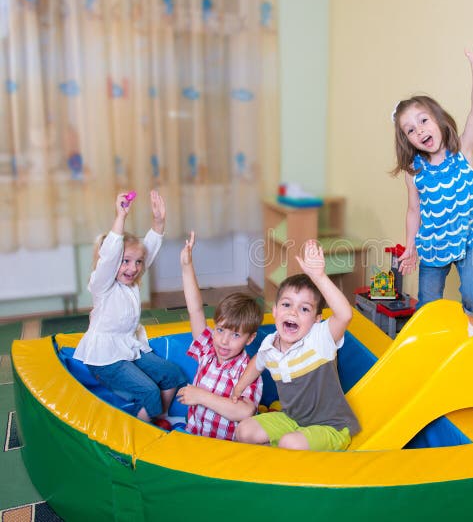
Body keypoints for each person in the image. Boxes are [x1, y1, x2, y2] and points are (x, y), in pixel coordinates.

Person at [391, 39, 473, 336]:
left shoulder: (464, 151)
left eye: (423, 120)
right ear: (407, 140)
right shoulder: (415, 171)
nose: (420, 130)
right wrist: (410, 244)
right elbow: (414, 210)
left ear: (438, 120)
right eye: (410, 130)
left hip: (467, 239)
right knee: (427, 305)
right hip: (432, 243)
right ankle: (430, 345)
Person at [232, 239, 361, 451]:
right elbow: (258, 362)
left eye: (304, 309)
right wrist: (239, 387)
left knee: (289, 443)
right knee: (244, 431)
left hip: (331, 427)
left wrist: (319, 276)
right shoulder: (269, 344)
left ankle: (289, 457)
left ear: (317, 318)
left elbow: (345, 314)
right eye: (286, 304)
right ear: (274, 311)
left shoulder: (320, 339)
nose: (292, 312)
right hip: (294, 420)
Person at [74, 190, 186, 430]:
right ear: (113, 261)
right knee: (149, 391)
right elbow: (110, 256)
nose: (133, 268)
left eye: (137, 262)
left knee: (173, 375)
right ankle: (142, 432)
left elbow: (151, 248)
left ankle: (160, 417)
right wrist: (121, 217)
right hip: (105, 357)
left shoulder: (132, 282)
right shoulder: (102, 284)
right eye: (126, 261)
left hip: (128, 346)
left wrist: (158, 221)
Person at [175, 231, 264, 440]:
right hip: (196, 437)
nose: (223, 341)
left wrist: (201, 396)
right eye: (220, 330)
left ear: (249, 339)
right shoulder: (207, 348)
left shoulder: (248, 370)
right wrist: (187, 267)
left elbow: (245, 411)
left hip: (225, 452)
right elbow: (195, 309)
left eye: (235, 335)